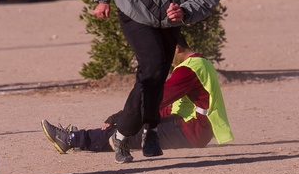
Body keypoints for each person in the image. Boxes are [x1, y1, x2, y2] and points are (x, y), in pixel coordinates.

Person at [93, 0, 222, 164]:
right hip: (135, 15)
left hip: (169, 20)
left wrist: (185, 10)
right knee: (151, 67)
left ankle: (150, 131)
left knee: (158, 74)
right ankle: (121, 135)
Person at [41, 33, 232, 154]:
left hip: (191, 132)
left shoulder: (188, 69)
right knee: (131, 125)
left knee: (127, 133)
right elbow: (168, 105)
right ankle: (79, 136)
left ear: (176, 48)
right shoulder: (201, 63)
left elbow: (159, 98)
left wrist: (124, 117)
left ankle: (71, 139)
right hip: (194, 127)